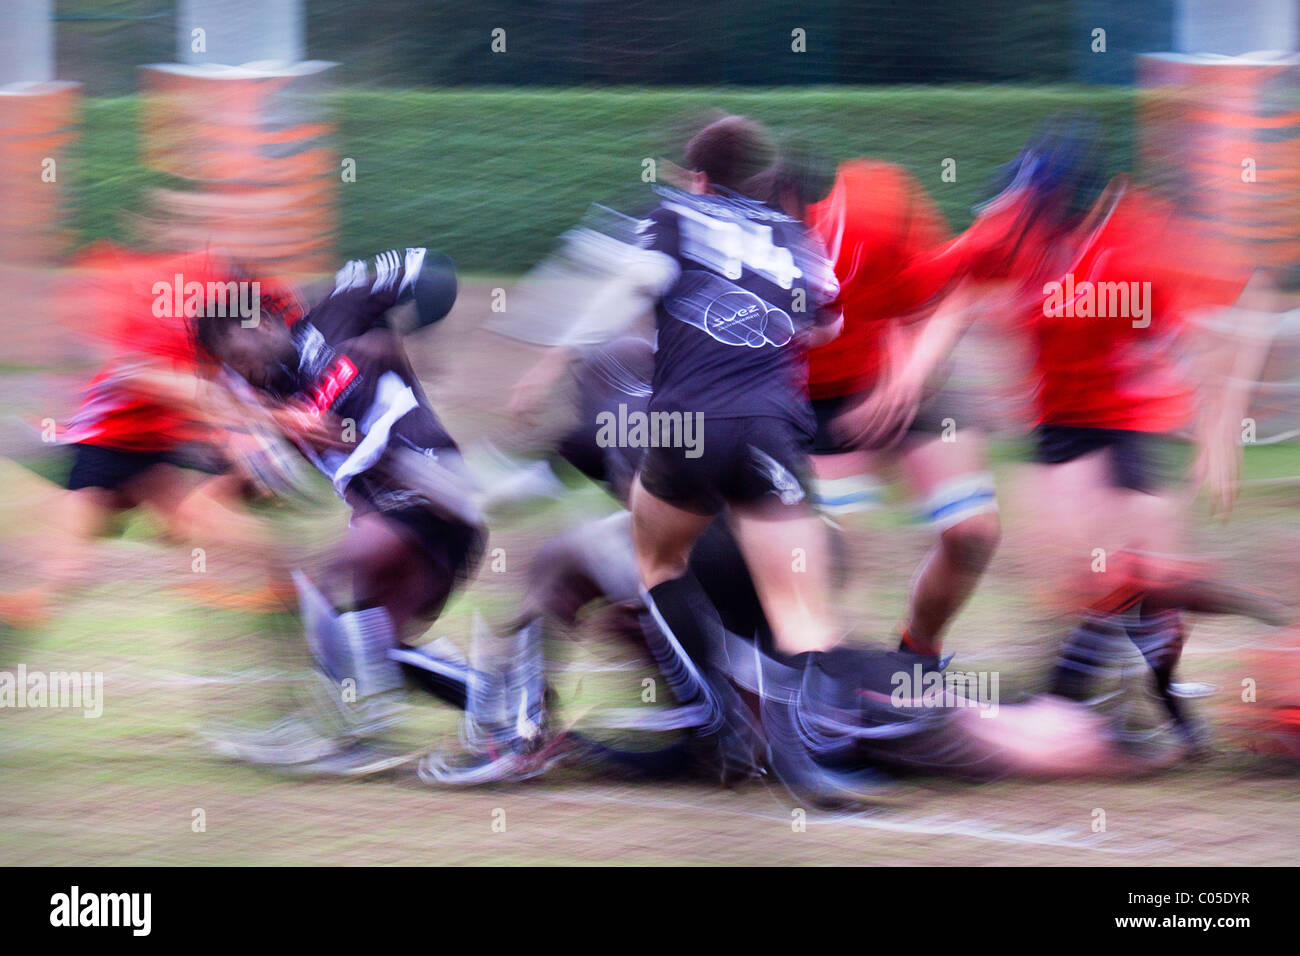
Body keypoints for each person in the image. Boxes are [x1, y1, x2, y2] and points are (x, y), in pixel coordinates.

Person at [194, 245, 489, 768]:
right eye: (234, 369)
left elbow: (434, 270)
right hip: (393, 516)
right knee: (375, 648)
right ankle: (503, 701)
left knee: (323, 578)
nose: (247, 374)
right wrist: (243, 474)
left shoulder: (337, 309)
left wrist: (414, 344)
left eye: (242, 357)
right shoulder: (273, 404)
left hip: (434, 487)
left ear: (262, 322)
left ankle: (334, 732)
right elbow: (250, 465)